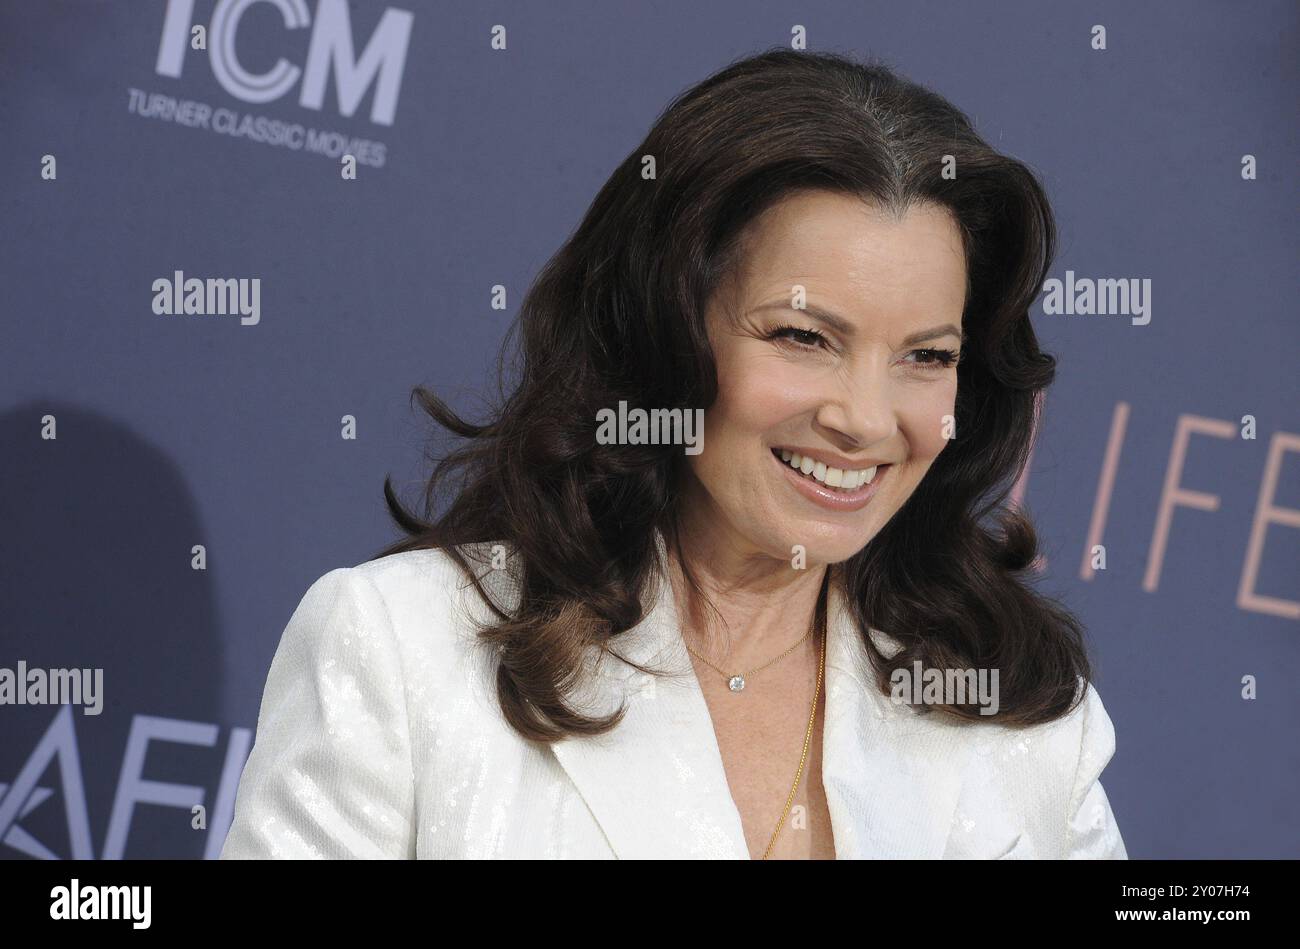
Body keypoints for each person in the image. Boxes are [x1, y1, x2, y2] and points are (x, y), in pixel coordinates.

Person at [220, 48, 1128, 860]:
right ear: (663, 330)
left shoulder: (1022, 712)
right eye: (805, 337)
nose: (863, 417)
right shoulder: (404, 652)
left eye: (926, 357)